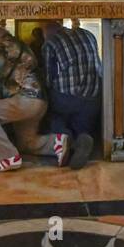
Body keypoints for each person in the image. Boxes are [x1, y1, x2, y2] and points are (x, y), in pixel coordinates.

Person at [0, 26, 67, 172]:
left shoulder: (5, 46)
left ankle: (8, 157)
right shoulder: (21, 46)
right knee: (26, 143)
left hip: (26, 98)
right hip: (40, 101)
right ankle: (56, 142)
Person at [40, 19, 101, 170]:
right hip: (93, 95)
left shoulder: (50, 43)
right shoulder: (88, 34)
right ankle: (82, 138)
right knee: (82, 123)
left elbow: (49, 77)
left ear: (46, 32)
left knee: (52, 113)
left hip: (66, 98)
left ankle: (67, 142)